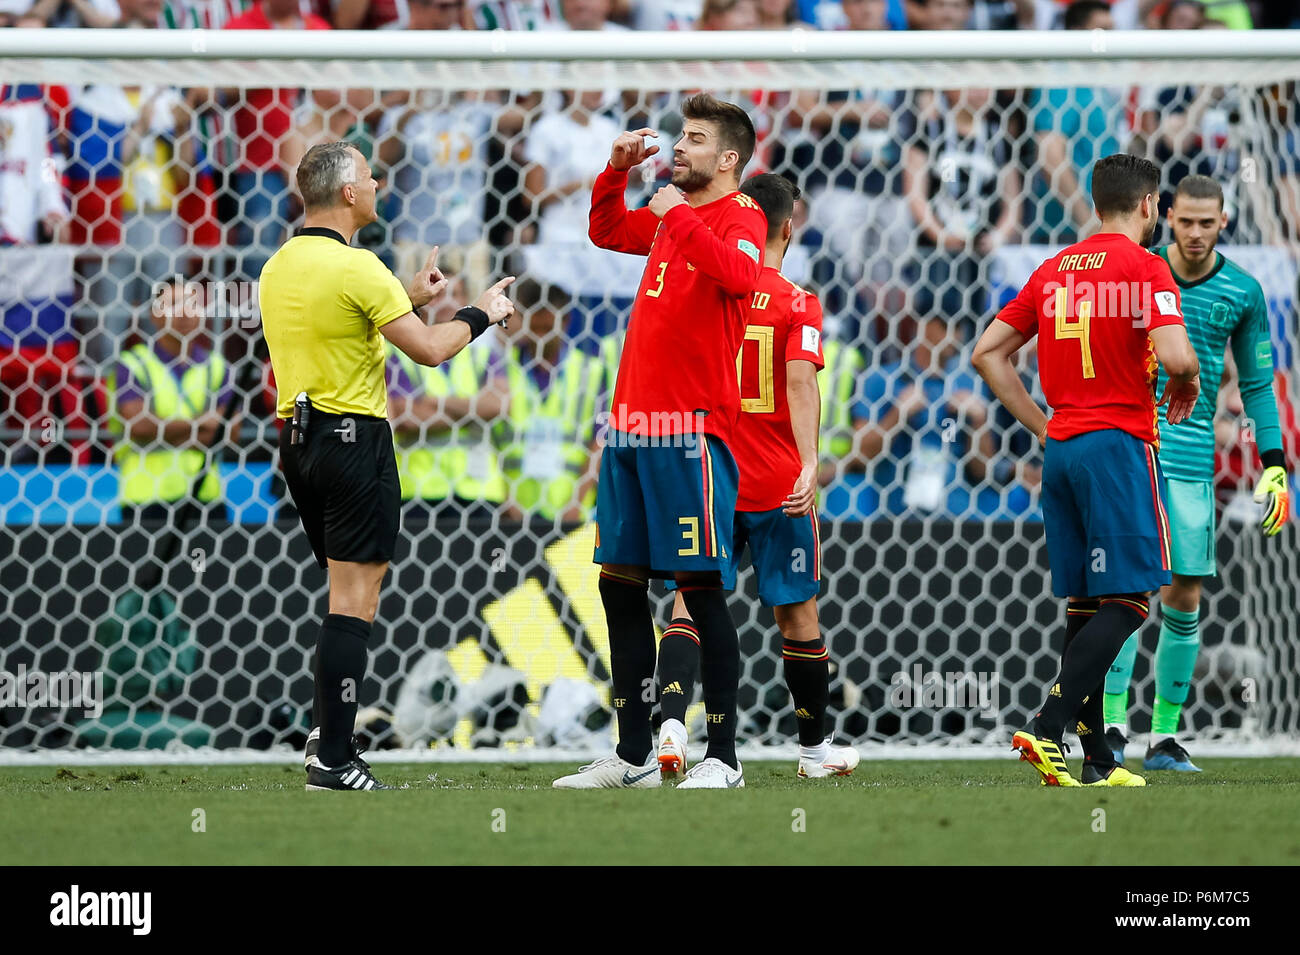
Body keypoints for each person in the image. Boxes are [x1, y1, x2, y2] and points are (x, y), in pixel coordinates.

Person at [259, 142, 514, 791]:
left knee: (338, 594)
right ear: (347, 193)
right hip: (354, 441)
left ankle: (326, 730)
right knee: (354, 601)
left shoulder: (279, 265)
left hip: (299, 444)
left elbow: (337, 321)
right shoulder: (359, 267)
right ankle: (335, 757)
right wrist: (482, 311)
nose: (377, 183)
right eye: (369, 176)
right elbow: (429, 350)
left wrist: (405, 294)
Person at [552, 93, 767, 790]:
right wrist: (612, 172)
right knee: (619, 587)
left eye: (695, 138)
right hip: (630, 428)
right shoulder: (674, 219)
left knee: (699, 590)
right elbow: (607, 230)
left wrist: (675, 211)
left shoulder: (742, 216)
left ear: (727, 158)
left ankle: (724, 756)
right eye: (681, 135)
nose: (679, 146)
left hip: (691, 431)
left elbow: (740, 277)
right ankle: (634, 752)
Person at [972, 153, 1201, 788]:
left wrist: (1044, 425)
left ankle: (1098, 758)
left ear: (1096, 203)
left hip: (1065, 447)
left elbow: (986, 353)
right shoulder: (1147, 266)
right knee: (1129, 601)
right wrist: (1187, 376)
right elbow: (1179, 354)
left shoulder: (1053, 270)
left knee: (1085, 604)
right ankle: (1046, 726)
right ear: (1151, 205)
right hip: (1118, 444)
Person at [654, 173, 861, 780]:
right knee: (797, 617)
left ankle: (670, 727)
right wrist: (808, 462)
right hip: (776, 484)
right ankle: (813, 753)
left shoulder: (715, 289)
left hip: (711, 474)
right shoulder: (799, 301)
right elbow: (800, 380)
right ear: (788, 228)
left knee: (688, 607)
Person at [1103, 174, 1290, 772]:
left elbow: (1258, 385)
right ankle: (1108, 728)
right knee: (1127, 592)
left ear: (1224, 220)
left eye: (1207, 223)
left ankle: (1161, 738)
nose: (1195, 233)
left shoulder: (1242, 290)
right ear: (1165, 215)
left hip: (1190, 459)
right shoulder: (1137, 271)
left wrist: (1275, 464)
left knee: (1184, 594)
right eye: (1185, 221)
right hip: (1133, 448)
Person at [107, 277, 238, 523]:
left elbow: (230, 432)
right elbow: (139, 425)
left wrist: (163, 429)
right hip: (145, 499)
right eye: (174, 304)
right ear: (154, 314)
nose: (185, 313)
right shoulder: (132, 364)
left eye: (192, 303)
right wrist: (203, 423)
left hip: (205, 496)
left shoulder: (219, 366)